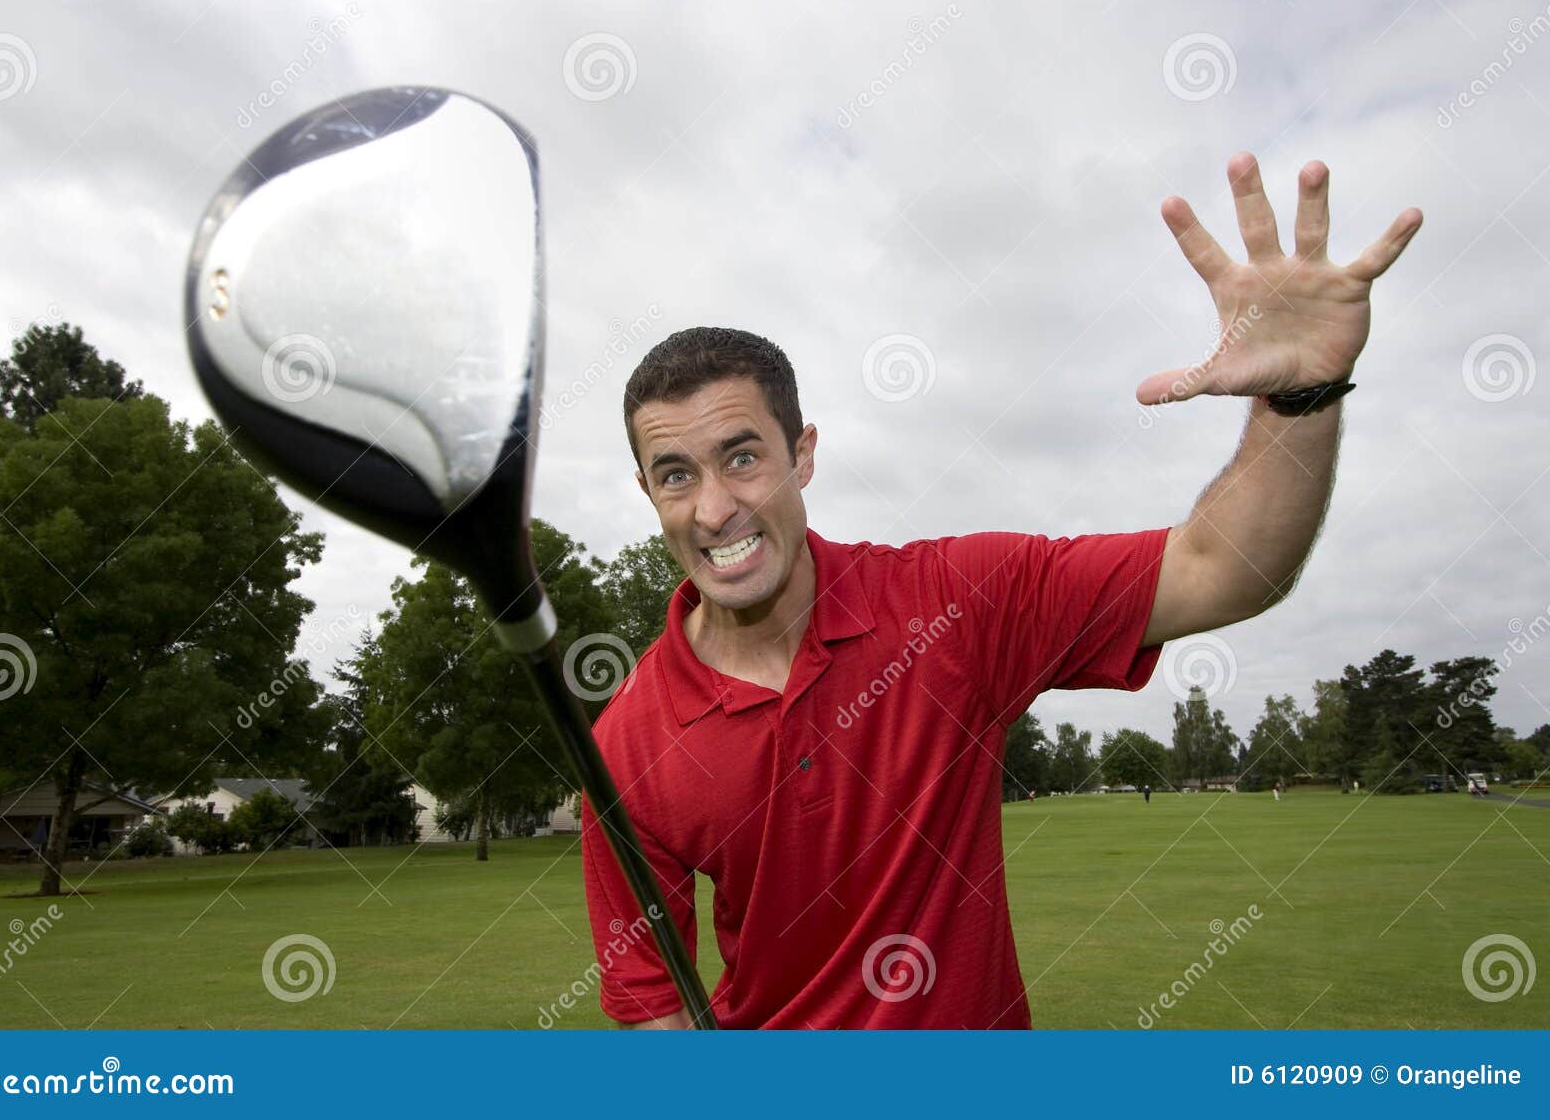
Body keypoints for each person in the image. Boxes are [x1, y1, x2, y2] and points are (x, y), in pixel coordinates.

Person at [579, 154, 1422, 1030]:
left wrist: (1303, 394)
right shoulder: (625, 744)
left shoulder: (954, 601)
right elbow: (654, 1013)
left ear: (804, 455)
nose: (715, 507)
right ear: (649, 494)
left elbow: (1226, 568)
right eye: (676, 474)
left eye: (742, 456)